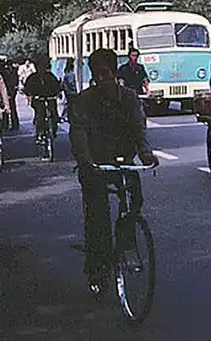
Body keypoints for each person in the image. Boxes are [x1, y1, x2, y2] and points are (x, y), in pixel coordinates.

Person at [69, 48, 158, 290]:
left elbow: (139, 128)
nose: (102, 80)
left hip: (123, 160)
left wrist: (146, 153)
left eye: (106, 74)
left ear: (114, 73)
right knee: (97, 214)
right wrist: (86, 160)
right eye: (97, 75)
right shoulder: (84, 101)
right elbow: (78, 133)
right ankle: (97, 265)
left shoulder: (129, 97)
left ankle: (125, 241)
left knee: (134, 199)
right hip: (95, 163)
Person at [24, 56, 61, 141]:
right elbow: (27, 88)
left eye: (44, 66)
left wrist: (58, 92)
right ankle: (39, 132)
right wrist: (30, 94)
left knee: (54, 114)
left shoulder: (50, 76)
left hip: (50, 99)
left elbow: (57, 86)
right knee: (40, 115)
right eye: (41, 66)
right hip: (38, 100)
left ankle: (53, 129)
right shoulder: (33, 77)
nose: (42, 69)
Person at [0, 58, 19, 130]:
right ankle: (7, 125)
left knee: (11, 108)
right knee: (9, 109)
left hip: (10, 91)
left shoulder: (6, 72)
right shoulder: (4, 72)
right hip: (8, 91)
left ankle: (12, 124)